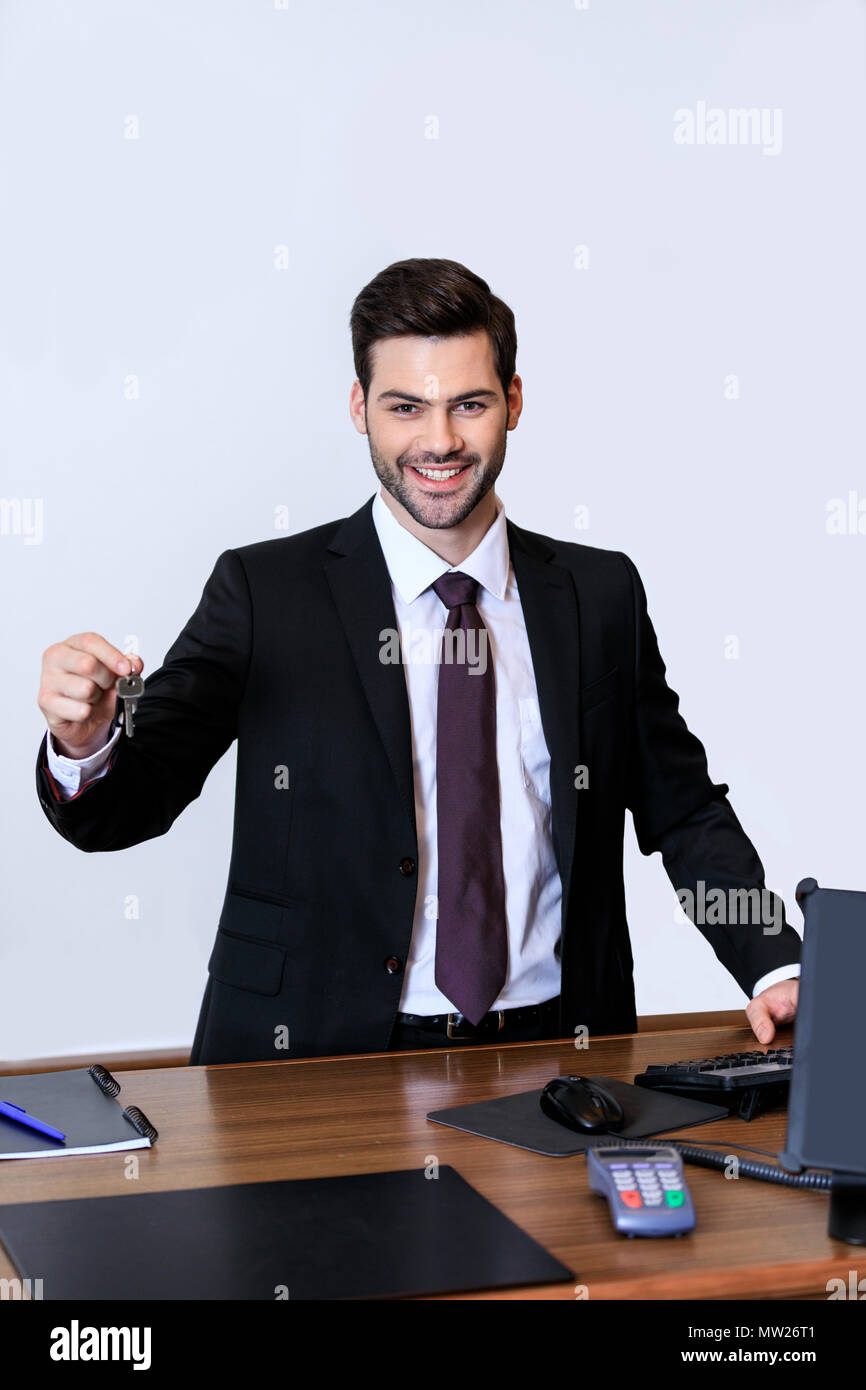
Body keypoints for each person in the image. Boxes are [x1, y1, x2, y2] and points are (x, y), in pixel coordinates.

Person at [36, 257, 800, 1064]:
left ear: (512, 401)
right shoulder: (265, 592)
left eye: (468, 404)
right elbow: (134, 801)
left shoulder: (598, 592)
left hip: (561, 1052)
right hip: (314, 1062)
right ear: (361, 408)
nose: (439, 441)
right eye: (406, 407)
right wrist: (87, 744)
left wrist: (773, 959)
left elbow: (681, 809)